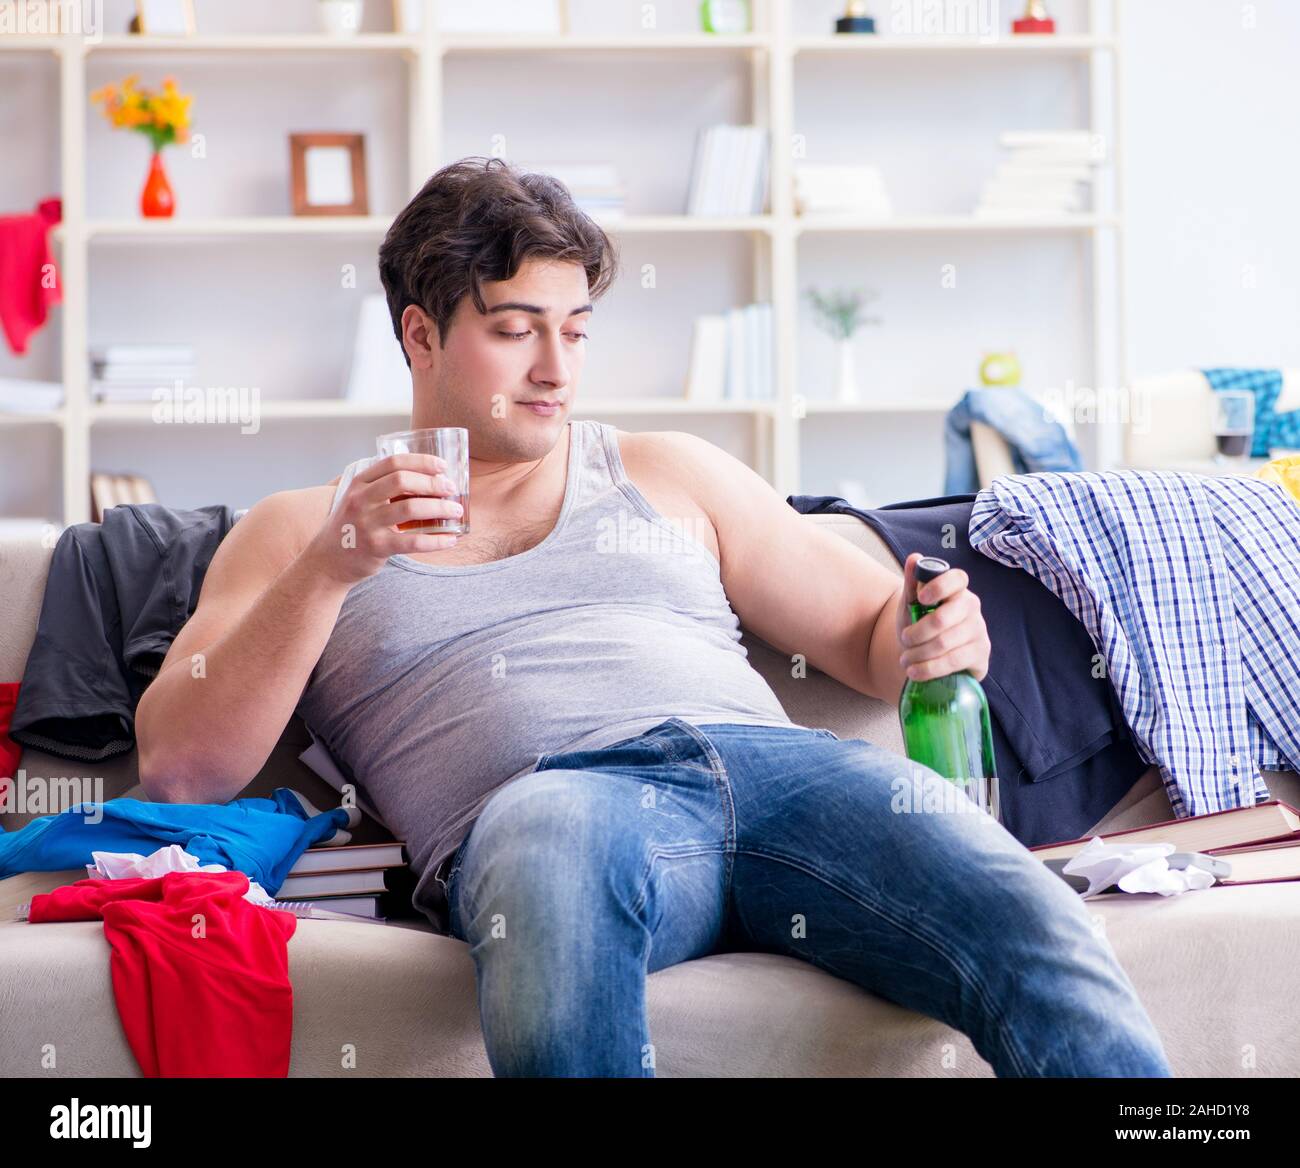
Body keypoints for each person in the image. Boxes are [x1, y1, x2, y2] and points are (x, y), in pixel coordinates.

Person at [135, 157, 1172, 1078]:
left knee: (1031, 920)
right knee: (551, 856)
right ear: (420, 334)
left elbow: (865, 637)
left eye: (574, 331)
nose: (556, 369)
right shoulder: (302, 528)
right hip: (556, 805)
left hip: (788, 779)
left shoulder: (665, 469)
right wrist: (330, 570)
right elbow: (184, 769)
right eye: (514, 331)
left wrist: (930, 636)